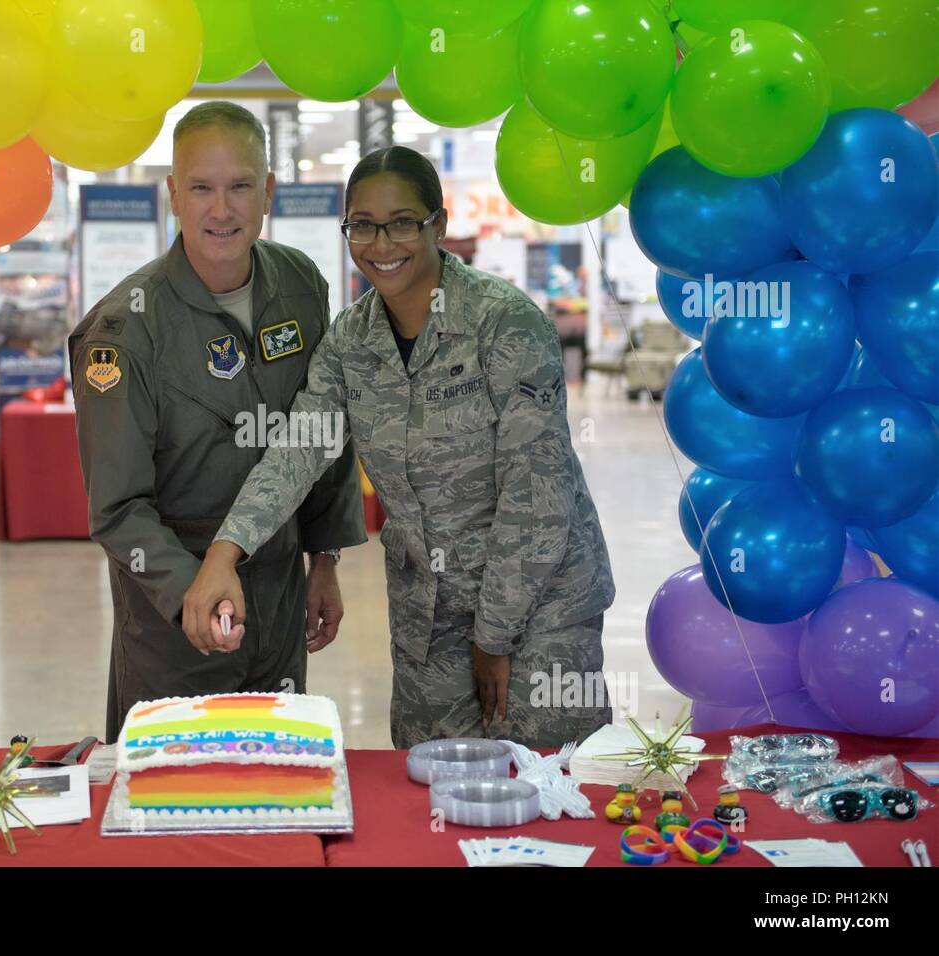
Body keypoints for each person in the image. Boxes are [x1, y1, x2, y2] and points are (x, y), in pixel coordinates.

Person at [183, 146, 616, 749]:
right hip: (429, 611)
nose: (381, 245)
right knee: (425, 785)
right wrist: (224, 554)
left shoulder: (505, 324)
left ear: (438, 224)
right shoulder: (351, 342)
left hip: (541, 609)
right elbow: (298, 449)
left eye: (402, 223)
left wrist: (494, 636)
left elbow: (537, 497)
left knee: (549, 784)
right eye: (362, 225)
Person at [69, 102, 366, 743]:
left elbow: (321, 432)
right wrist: (188, 593)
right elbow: (118, 508)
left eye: (240, 187)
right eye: (201, 187)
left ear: (268, 192)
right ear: (173, 195)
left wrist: (325, 556)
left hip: (280, 595)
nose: (221, 210)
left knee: (281, 777)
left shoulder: (301, 284)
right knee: (176, 799)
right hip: (175, 616)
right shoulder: (125, 330)